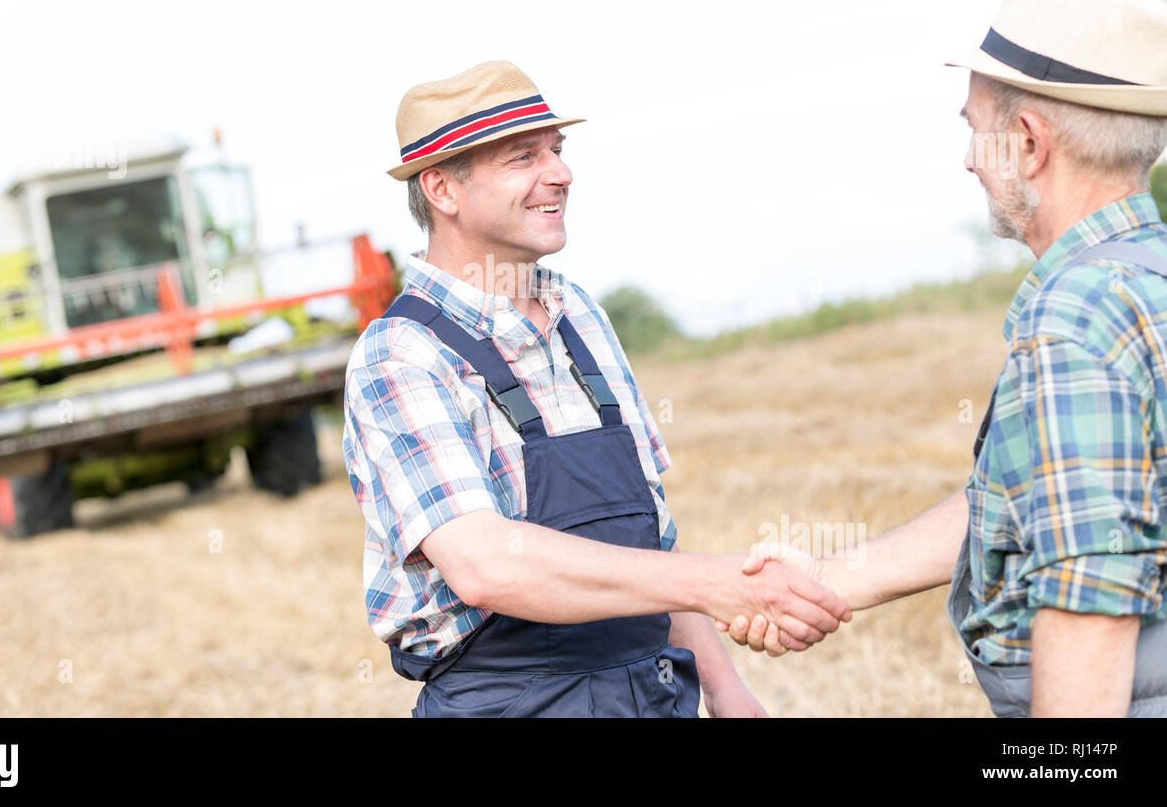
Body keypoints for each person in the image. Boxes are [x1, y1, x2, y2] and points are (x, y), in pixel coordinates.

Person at [342, 60, 851, 717]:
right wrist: (717, 584)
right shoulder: (403, 353)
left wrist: (727, 691)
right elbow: (488, 566)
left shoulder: (580, 316)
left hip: (653, 691)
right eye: (523, 157)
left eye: (556, 150)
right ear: (442, 188)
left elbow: (650, 537)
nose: (560, 173)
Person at [728, 0, 1167, 717]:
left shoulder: (1075, 320)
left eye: (974, 128)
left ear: (1029, 144)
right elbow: (1043, 495)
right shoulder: (1144, 277)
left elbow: (1090, 602)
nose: (968, 159)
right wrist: (831, 582)